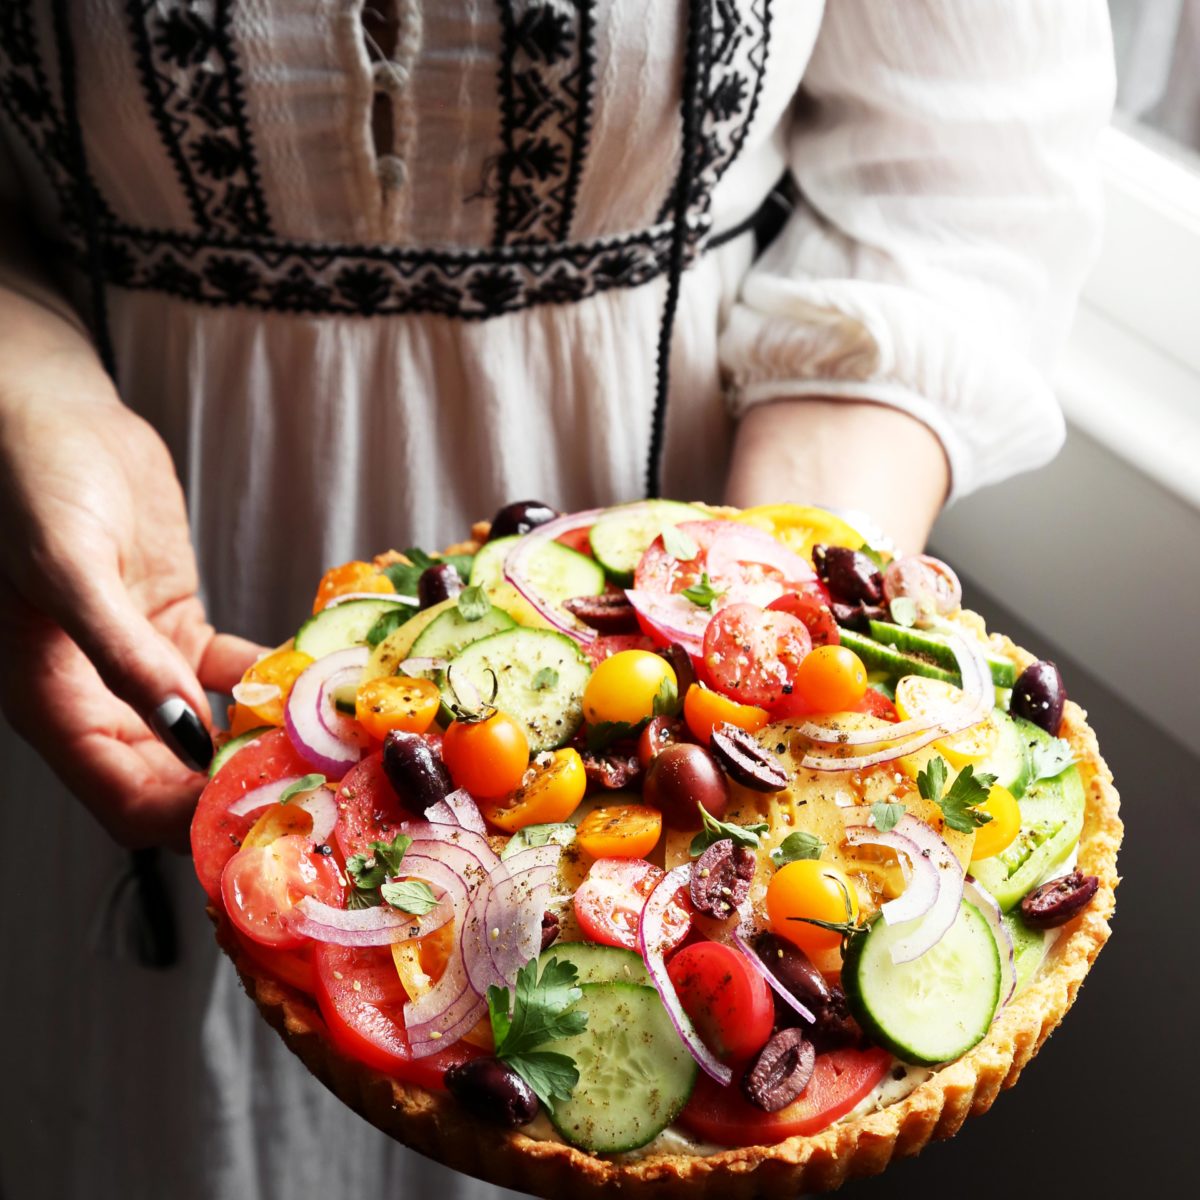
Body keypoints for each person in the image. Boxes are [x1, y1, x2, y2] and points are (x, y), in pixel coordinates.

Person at [0, 2, 1113, 1196]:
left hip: (699, 533)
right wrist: (22, 402)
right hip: (127, 555)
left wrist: (777, 626)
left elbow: (960, 185)